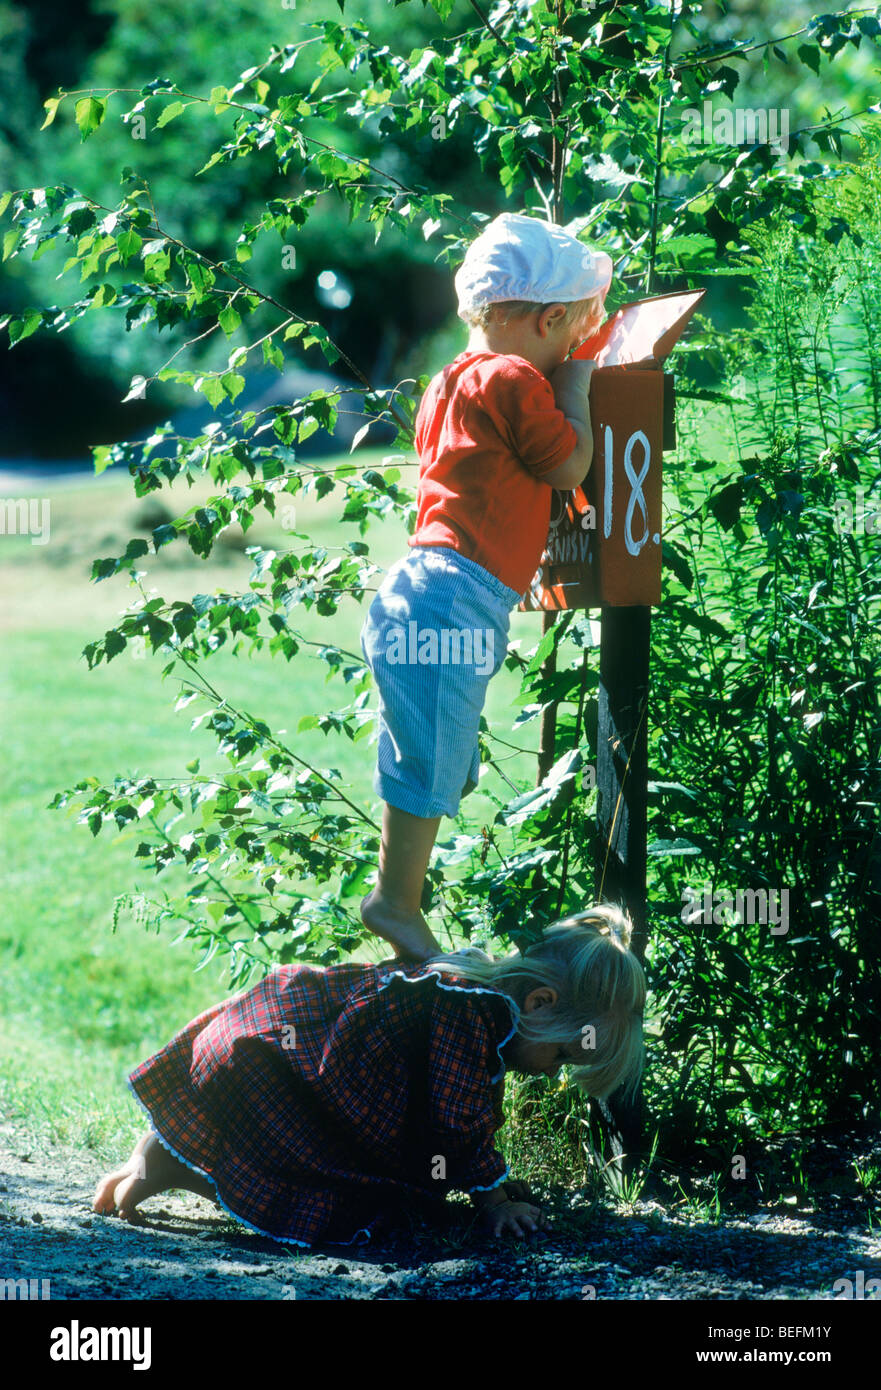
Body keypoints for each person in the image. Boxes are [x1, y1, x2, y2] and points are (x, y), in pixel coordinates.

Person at [359, 211, 613, 962]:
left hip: (431, 589)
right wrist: (577, 386)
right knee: (431, 760)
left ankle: (399, 897)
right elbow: (566, 465)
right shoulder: (512, 378)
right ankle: (394, 904)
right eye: (573, 337)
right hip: (451, 595)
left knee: (440, 757)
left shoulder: (449, 381)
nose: (573, 351)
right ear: (551, 319)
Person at [93, 905, 644, 1245]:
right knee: (344, 1195)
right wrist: (494, 1203)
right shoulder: (477, 1016)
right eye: (565, 1057)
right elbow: (456, 1123)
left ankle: (161, 1152)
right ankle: (180, 1169)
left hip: (259, 1033)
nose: (554, 1074)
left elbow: (448, 1121)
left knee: (405, 1192)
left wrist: (488, 1180)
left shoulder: (466, 981)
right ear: (542, 1004)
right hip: (276, 1068)